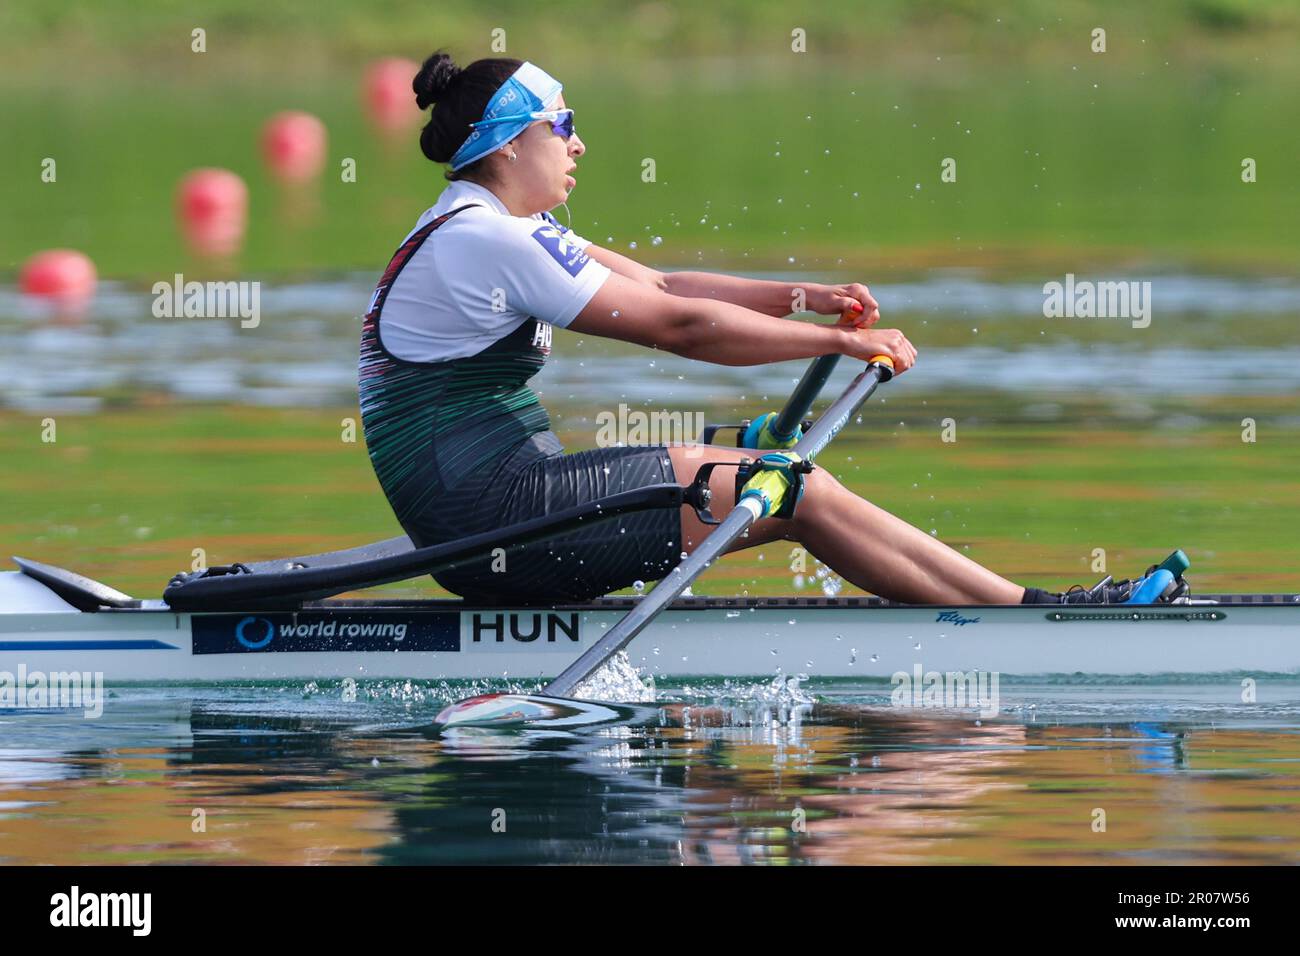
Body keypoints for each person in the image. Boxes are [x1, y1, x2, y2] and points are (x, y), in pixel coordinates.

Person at [359, 52, 1144, 606]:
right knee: (791, 489)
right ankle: (1035, 613)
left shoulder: (480, 226)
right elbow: (684, 328)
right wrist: (838, 344)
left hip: (494, 511)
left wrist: (801, 297)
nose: (578, 143)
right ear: (508, 143)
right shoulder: (486, 239)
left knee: (772, 472)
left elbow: (663, 284)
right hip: (496, 523)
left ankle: (1019, 607)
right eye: (562, 124)